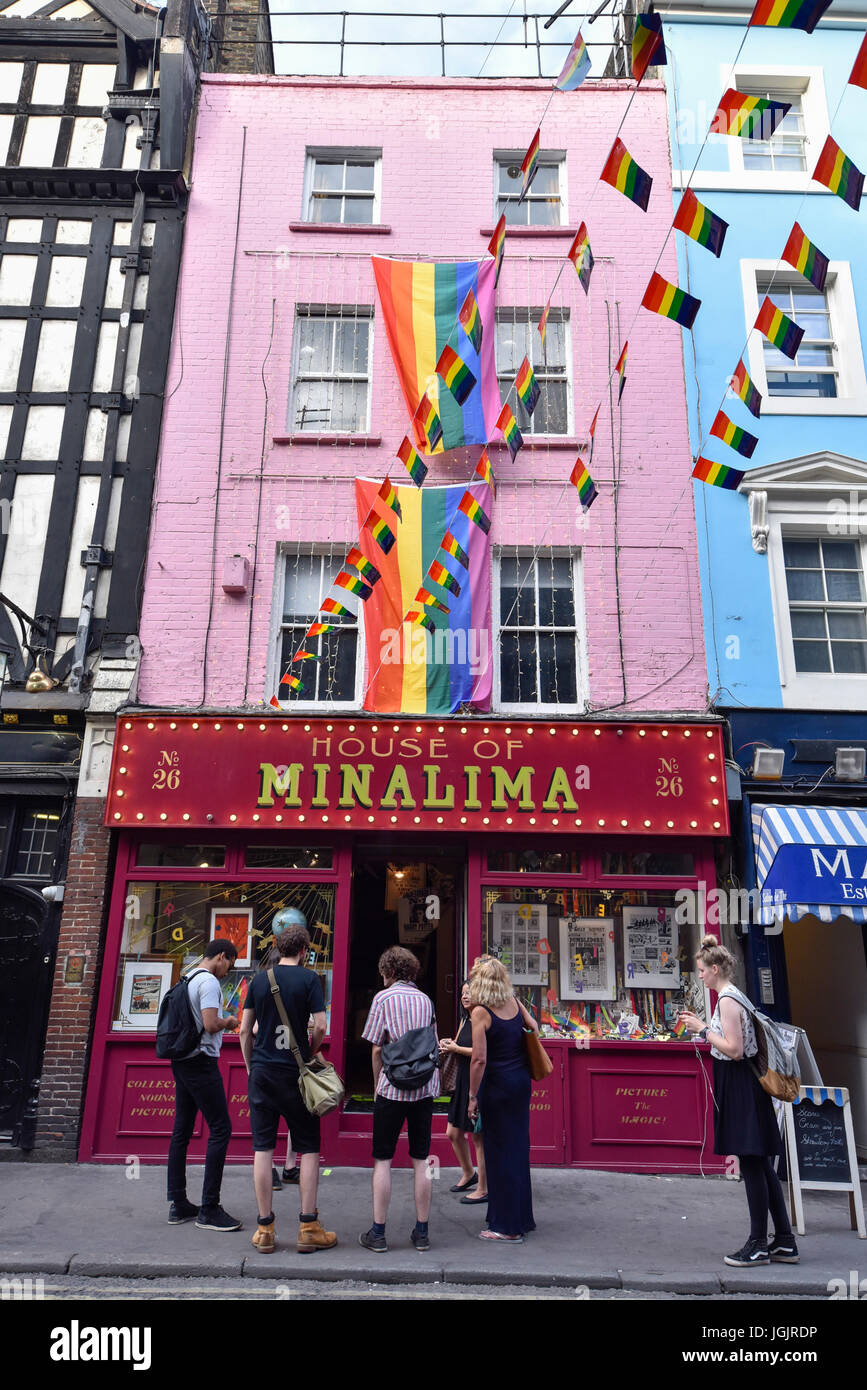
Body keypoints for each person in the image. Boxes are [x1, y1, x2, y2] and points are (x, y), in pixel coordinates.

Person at [678, 933, 798, 1267]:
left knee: (751, 1162)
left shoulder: (728, 1000)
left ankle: (758, 1244)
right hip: (746, 1084)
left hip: (741, 1085)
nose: (700, 975)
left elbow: (733, 1048)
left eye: (702, 969)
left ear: (715, 969)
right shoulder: (734, 997)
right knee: (759, 1162)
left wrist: (703, 1029)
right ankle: (785, 1241)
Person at [239, 911, 337, 1255]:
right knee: (308, 1147)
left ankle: (265, 1229)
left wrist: (252, 1067)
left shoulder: (260, 979)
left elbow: (243, 1030)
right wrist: (309, 1053)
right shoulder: (311, 980)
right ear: (305, 949)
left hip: (263, 1071)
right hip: (296, 1074)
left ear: (277, 947)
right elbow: (321, 1026)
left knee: (262, 1148)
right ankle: (308, 1226)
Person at [359, 945, 440, 1253]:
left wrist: (376, 1083)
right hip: (423, 1088)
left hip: (392, 1088)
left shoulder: (383, 999)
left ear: (389, 972)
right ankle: (422, 1232)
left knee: (383, 1160)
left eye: (383, 972)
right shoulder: (426, 1000)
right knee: (423, 1159)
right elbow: (431, 1044)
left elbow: (377, 1047)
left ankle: (378, 1233)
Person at [166, 938, 242, 1232]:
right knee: (221, 1128)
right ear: (222, 956)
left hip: (182, 1059)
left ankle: (178, 1203)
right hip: (200, 1062)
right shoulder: (209, 982)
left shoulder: (188, 976)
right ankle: (209, 1208)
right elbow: (211, 1024)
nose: (227, 972)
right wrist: (230, 1021)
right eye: (229, 965)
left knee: (181, 1130)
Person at [467, 956, 535, 1242]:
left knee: (498, 1154)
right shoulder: (513, 1003)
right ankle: (521, 1218)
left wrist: (472, 1097)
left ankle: (506, 1227)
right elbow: (533, 1027)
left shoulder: (480, 1012)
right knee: (517, 1150)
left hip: (497, 1087)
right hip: (520, 1083)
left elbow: (479, 1060)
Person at [439, 980, 487, 1204]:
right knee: (453, 1132)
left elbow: (480, 1052)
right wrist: (449, 1043)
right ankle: (469, 1173)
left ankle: (484, 1188)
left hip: (475, 1080)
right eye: (463, 993)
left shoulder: (482, 1017)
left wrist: (456, 1048)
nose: (465, 996)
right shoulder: (465, 1019)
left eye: (470, 993)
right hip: (461, 1080)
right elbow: (459, 1043)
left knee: (478, 1136)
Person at [256, 942, 299, 1192]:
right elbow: (317, 1026)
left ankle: (270, 1168)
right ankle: (290, 1166)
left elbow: (249, 1030)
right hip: (292, 1062)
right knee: (295, 1117)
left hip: (265, 1062)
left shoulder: (262, 985)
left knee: (266, 1121)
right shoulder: (298, 985)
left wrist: (251, 1063)